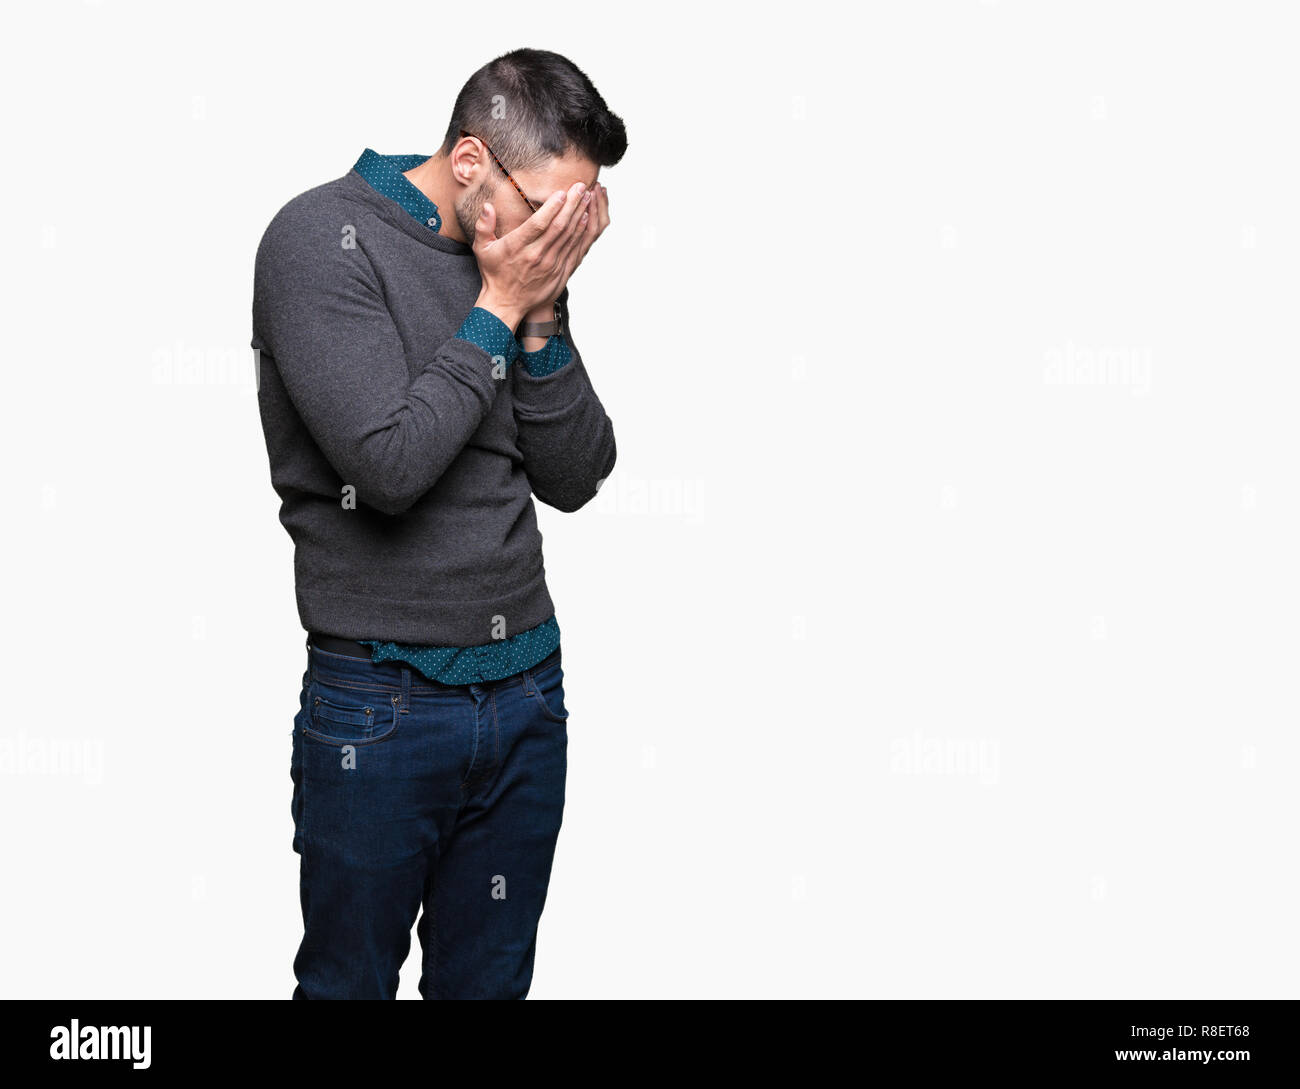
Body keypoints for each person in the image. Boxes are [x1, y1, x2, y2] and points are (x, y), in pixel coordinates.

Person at [250, 47, 625, 999]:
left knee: (489, 987)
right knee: (349, 987)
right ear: (470, 164)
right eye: (549, 208)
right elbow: (388, 467)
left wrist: (539, 319)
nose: (560, 236)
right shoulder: (317, 240)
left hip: (528, 694)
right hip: (379, 705)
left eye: (582, 215)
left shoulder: (513, 265)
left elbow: (577, 474)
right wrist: (500, 306)